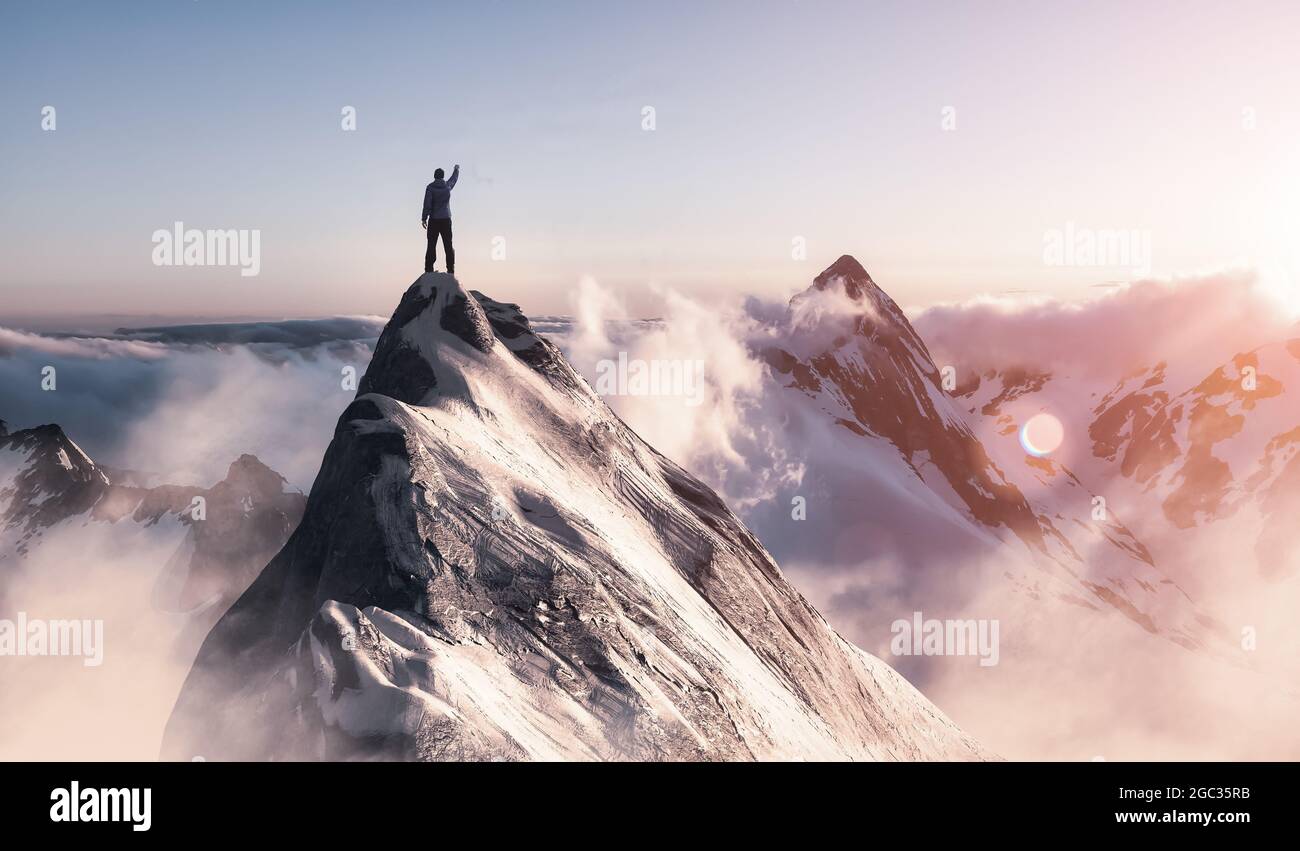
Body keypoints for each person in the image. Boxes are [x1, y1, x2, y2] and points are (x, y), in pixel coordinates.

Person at [422, 164, 459, 275]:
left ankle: (429, 269)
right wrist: (456, 169)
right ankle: (450, 269)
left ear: (434, 176)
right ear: (443, 176)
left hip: (434, 220)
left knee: (431, 245)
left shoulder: (430, 187)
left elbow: (427, 204)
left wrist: (424, 218)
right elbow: (454, 179)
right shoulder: (447, 186)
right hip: (446, 220)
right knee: (448, 245)